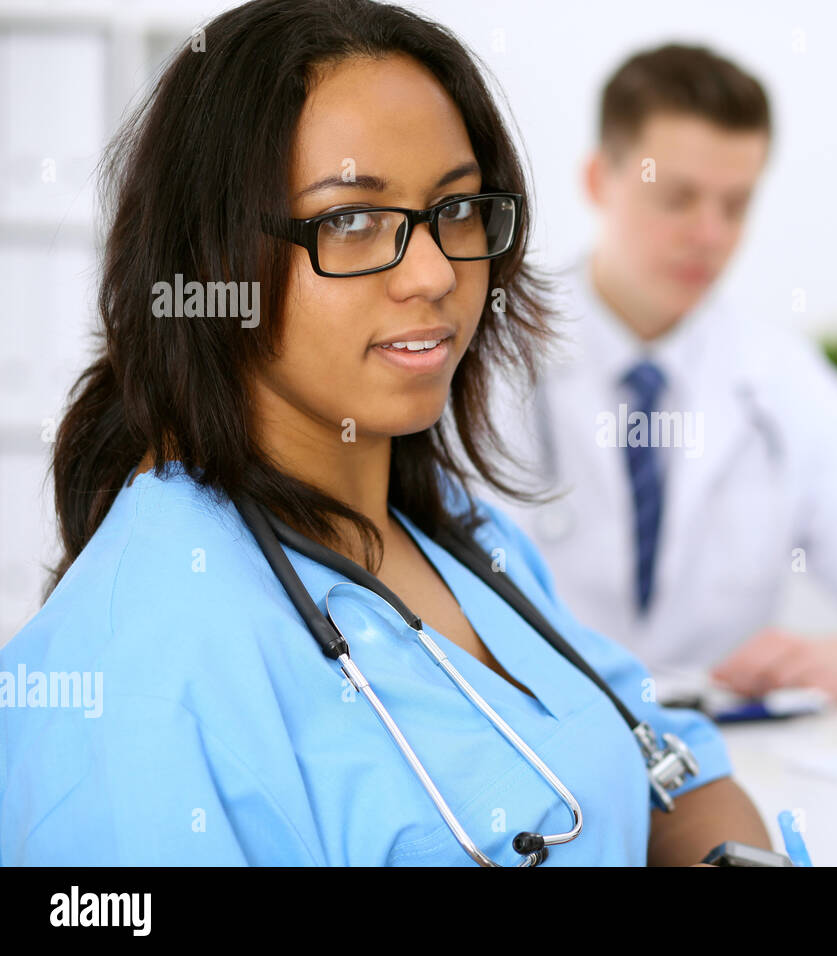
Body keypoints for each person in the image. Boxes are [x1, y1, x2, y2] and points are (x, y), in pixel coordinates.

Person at [0, 0, 771, 866]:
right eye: (350, 220)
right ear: (209, 259)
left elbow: (665, 768)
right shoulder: (134, 668)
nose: (437, 271)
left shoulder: (455, 532)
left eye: (459, 208)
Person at [481, 44, 837, 704]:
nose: (709, 234)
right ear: (596, 181)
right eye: (677, 198)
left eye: (736, 205)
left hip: (725, 756)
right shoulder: (484, 356)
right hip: (528, 737)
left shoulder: (782, 379)